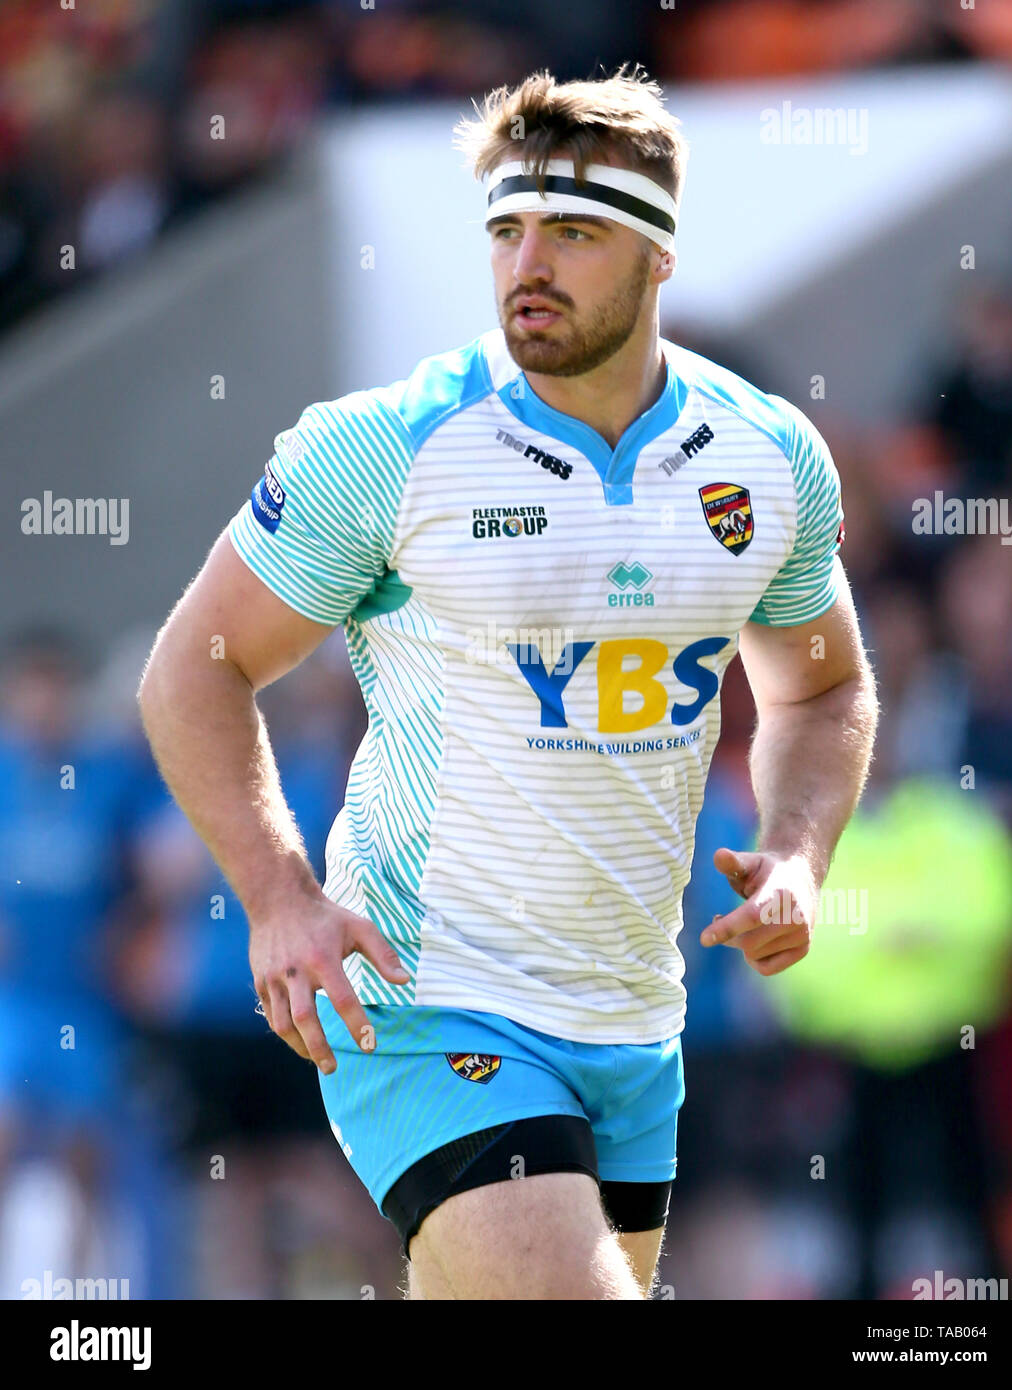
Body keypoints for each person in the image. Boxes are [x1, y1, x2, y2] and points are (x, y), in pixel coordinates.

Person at [138, 66, 878, 1300]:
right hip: (426, 1002)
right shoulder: (390, 444)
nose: (526, 261)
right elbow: (193, 669)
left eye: (572, 232)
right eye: (505, 229)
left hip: (634, 1019)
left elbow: (821, 690)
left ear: (655, 258)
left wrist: (798, 849)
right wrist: (277, 896)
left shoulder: (765, 457)